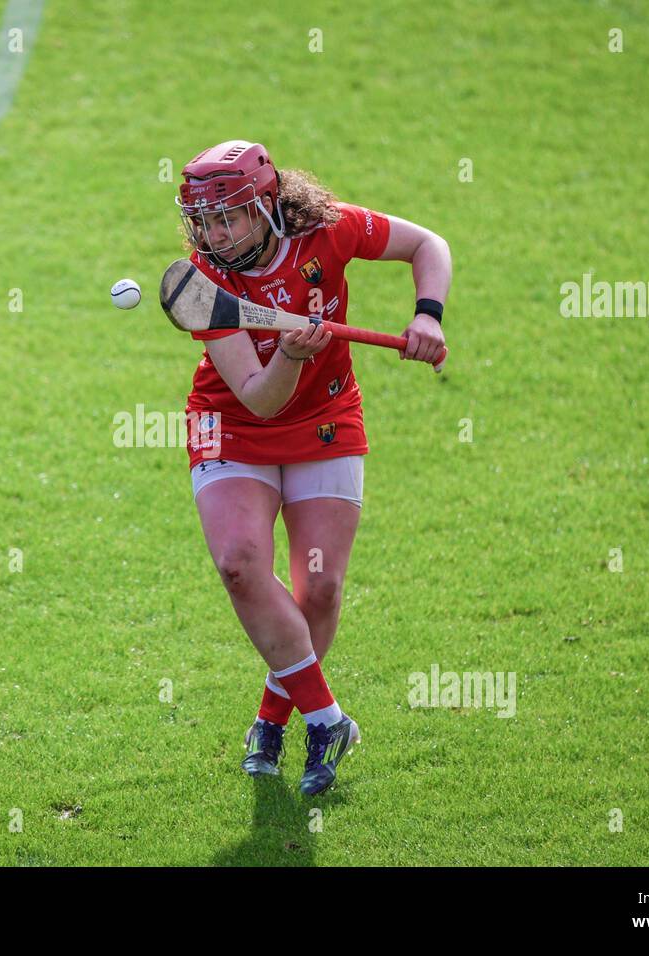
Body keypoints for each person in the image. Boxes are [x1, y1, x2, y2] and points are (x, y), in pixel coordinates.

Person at [175, 140, 452, 795]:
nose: (215, 235)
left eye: (230, 218)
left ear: (268, 205)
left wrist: (427, 314)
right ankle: (328, 719)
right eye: (206, 222)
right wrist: (292, 355)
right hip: (235, 424)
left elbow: (427, 245)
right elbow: (260, 398)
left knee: (319, 588)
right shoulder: (202, 281)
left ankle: (273, 720)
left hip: (326, 420)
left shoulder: (330, 230)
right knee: (240, 563)